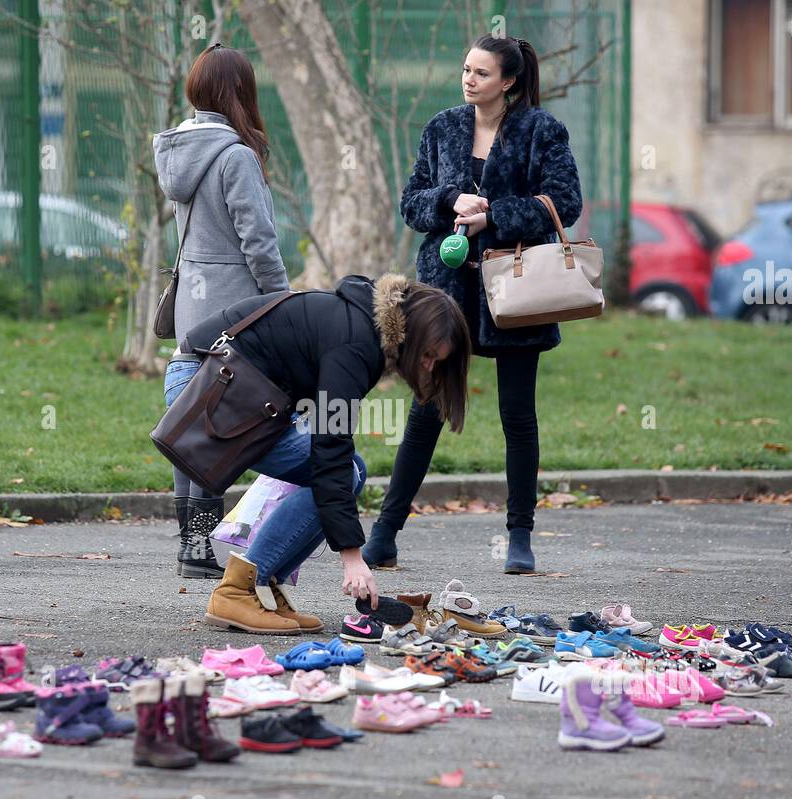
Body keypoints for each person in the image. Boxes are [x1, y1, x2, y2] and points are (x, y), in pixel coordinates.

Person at [361, 33, 583, 575]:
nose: (468, 79)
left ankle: (520, 538)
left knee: (517, 416)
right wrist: (447, 200)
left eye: (481, 73)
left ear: (508, 81)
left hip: (516, 291)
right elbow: (411, 204)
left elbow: (566, 202)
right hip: (446, 295)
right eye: (465, 69)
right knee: (427, 409)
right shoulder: (441, 127)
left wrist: (496, 216)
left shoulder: (541, 131)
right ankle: (386, 533)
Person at [164, 274, 471, 635]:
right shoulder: (358, 344)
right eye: (429, 355)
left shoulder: (363, 326)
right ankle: (238, 591)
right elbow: (330, 448)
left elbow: (332, 441)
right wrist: (353, 558)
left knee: (350, 468)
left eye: (439, 361)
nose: (430, 368)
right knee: (341, 471)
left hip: (228, 383)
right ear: (413, 332)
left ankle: (261, 588)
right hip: (206, 386)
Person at [153, 44, 289, 580]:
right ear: (240, 92)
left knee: (194, 424)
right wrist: (281, 300)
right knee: (216, 429)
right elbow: (258, 241)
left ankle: (193, 547)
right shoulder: (234, 155)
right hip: (236, 308)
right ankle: (196, 547)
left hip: (193, 305)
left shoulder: (176, 150)